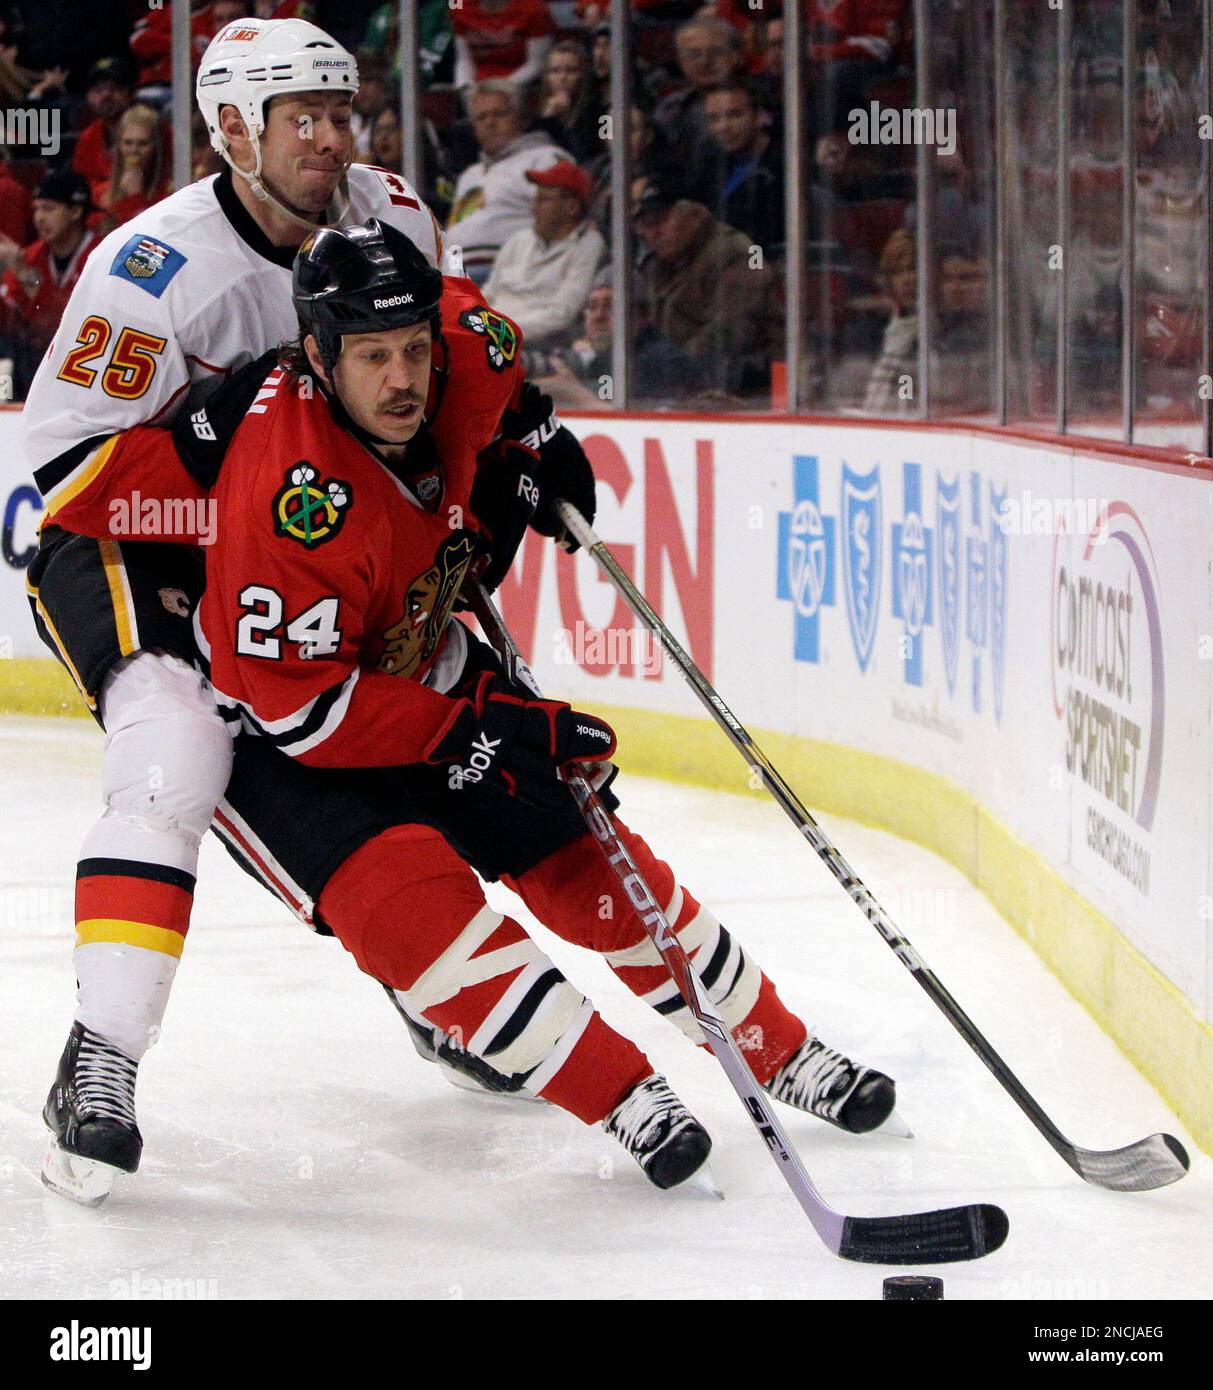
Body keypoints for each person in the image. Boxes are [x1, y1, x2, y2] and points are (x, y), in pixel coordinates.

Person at [44, 219, 898, 1199]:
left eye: (412, 348)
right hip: (281, 733)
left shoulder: (468, 343)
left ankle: (779, 1050)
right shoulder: (289, 493)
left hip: (417, 651)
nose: (403, 377)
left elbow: (503, 389)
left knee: (582, 849)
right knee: (419, 915)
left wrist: (540, 442)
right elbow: (301, 712)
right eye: (372, 358)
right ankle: (625, 1094)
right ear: (317, 359)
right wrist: (478, 732)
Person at [20, 14, 445, 1207]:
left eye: (340, 112)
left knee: (424, 719)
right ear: (229, 130)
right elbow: (60, 479)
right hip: (128, 542)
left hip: (294, 543)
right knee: (175, 752)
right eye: (297, 118)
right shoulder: (153, 268)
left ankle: (435, 986)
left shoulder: (396, 215)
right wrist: (216, 451)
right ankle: (98, 1062)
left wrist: (521, 441)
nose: (328, 140)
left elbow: (438, 369)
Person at [633, 181, 783, 398]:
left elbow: (731, 331)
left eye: (662, 221)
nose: (653, 233)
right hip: (677, 381)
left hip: (743, 387)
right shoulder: (656, 264)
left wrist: (672, 367)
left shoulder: (738, 253)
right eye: (646, 225)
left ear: (696, 215)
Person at [445, 80, 569, 285]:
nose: (490, 123)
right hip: (456, 275)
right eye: (481, 117)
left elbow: (562, 222)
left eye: (499, 114)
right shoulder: (469, 174)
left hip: (512, 272)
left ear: (522, 118)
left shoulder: (546, 158)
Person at [530, 267, 700, 407]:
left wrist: (573, 393)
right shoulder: (602, 358)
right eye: (591, 307)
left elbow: (646, 430)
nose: (598, 317)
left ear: (642, 316)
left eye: (610, 306)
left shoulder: (662, 360)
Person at [481, 163, 605, 351]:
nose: (533, 208)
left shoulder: (590, 246)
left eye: (543, 200)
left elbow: (562, 316)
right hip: (486, 339)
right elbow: (487, 295)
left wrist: (499, 331)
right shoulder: (518, 241)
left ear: (571, 207)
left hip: (538, 349)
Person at [0, 169, 100, 359]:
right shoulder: (30, 256)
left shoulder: (101, 255)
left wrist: (25, 275)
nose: (39, 218)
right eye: (36, 209)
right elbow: (9, 323)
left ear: (76, 211)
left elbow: (60, 321)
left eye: (48, 208)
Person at [700, 79, 785, 254]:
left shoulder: (784, 168)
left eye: (734, 115)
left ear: (761, 116)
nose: (723, 127)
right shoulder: (710, 167)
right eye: (714, 119)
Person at [92, 104, 171, 231]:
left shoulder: (170, 193)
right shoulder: (102, 194)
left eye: (143, 143)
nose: (134, 150)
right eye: (128, 143)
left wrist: (135, 197)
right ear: (118, 145)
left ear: (156, 147)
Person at [451, 0, 555, 95]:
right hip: (477, 83)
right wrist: (466, 89)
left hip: (522, 82)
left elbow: (537, 63)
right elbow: (463, 58)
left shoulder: (535, 7)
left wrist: (500, 89)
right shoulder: (456, 4)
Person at [535, 37, 605, 165]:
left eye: (571, 70)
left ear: (583, 74)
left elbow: (587, 158)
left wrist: (569, 126)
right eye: (555, 71)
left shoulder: (602, 115)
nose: (562, 77)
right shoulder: (538, 114)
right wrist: (547, 118)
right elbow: (533, 154)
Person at [70, 56, 136, 188]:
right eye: (98, 90)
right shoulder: (88, 137)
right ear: (88, 97)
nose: (106, 95)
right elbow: (82, 185)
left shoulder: (155, 129)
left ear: (130, 93)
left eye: (114, 88)